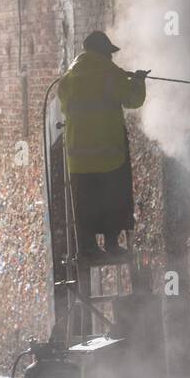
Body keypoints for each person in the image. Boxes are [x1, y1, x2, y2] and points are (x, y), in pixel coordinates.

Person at [57, 30, 148, 269]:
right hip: (108, 155)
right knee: (113, 201)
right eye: (109, 53)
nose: (111, 58)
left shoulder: (68, 79)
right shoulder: (111, 74)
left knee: (85, 204)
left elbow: (66, 106)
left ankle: (87, 248)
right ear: (103, 52)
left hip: (78, 159)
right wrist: (138, 81)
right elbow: (132, 99)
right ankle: (111, 244)